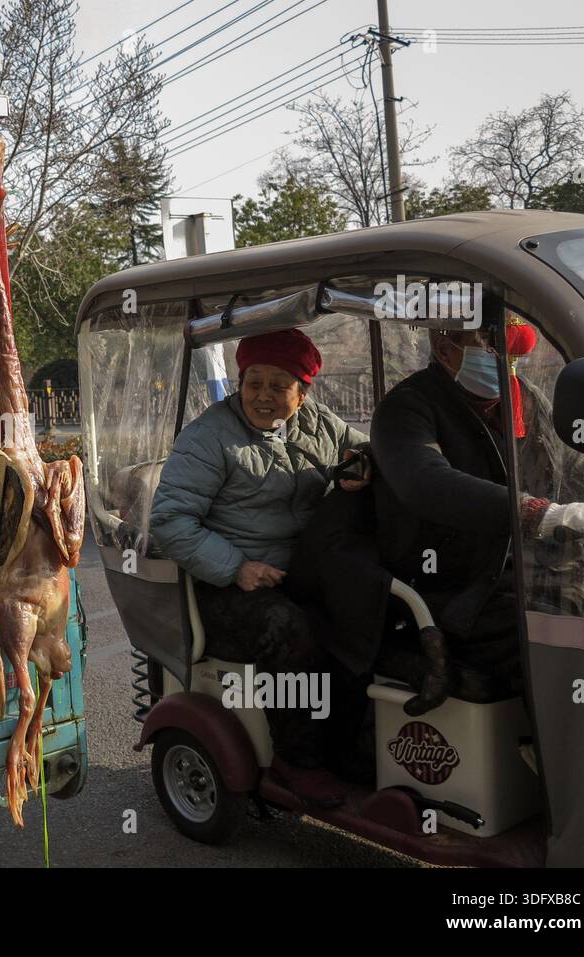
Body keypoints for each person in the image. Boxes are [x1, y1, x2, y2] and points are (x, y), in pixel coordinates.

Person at [150, 328, 370, 806]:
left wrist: (364, 466)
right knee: (290, 630)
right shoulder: (209, 437)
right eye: (254, 383)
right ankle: (297, 761)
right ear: (239, 383)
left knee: (367, 615)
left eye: (278, 385)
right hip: (224, 585)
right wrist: (236, 567)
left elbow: (366, 449)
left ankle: (349, 749)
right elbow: (169, 521)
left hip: (301, 571)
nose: (263, 396)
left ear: (303, 392)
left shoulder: (319, 424)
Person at [369, 318, 584, 689]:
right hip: (458, 589)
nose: (508, 361)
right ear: (445, 350)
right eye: (491, 345)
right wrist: (538, 513)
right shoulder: (406, 408)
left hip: (528, 569)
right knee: (564, 635)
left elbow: (569, 465)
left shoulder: (523, 398)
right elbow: (426, 483)